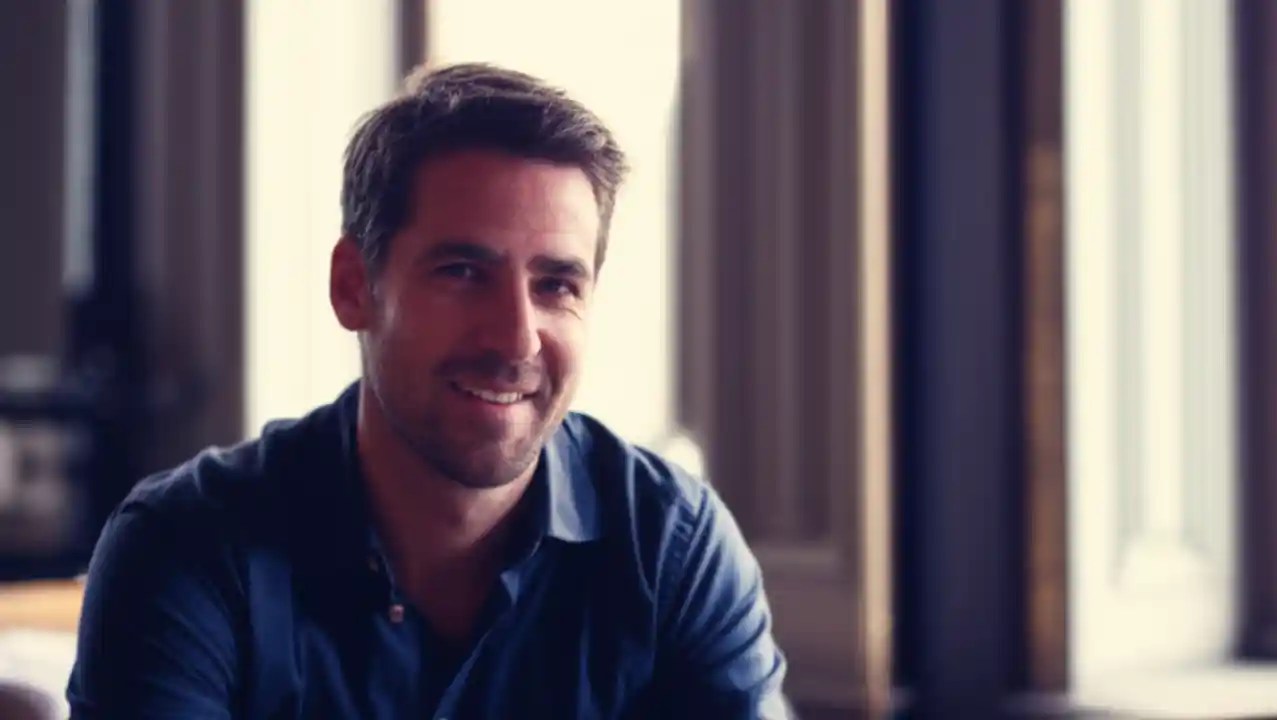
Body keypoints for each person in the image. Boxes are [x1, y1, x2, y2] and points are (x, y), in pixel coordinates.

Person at [66, 62, 787, 719]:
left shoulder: (671, 548)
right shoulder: (188, 547)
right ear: (354, 287)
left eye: (556, 285)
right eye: (463, 273)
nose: (516, 339)